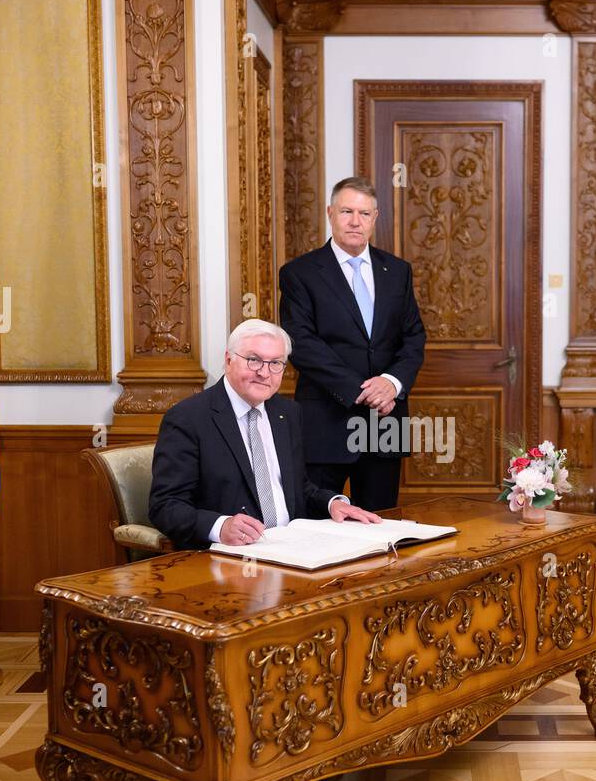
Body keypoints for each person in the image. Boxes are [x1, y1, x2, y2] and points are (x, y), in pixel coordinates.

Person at [148, 319, 381, 550]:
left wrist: (331, 504)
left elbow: (298, 488)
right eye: (253, 360)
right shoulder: (188, 418)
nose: (264, 372)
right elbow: (165, 505)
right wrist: (220, 527)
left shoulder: (287, 412)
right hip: (230, 556)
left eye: (275, 363)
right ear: (228, 359)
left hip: (293, 548)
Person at [279, 176, 426, 511]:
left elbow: (414, 336)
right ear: (330, 213)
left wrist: (391, 384)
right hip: (325, 421)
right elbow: (301, 343)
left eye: (364, 213)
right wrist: (363, 391)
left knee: (381, 522)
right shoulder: (299, 273)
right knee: (317, 526)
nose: (355, 221)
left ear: (375, 219)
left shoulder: (398, 271)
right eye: (347, 211)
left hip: (385, 422)